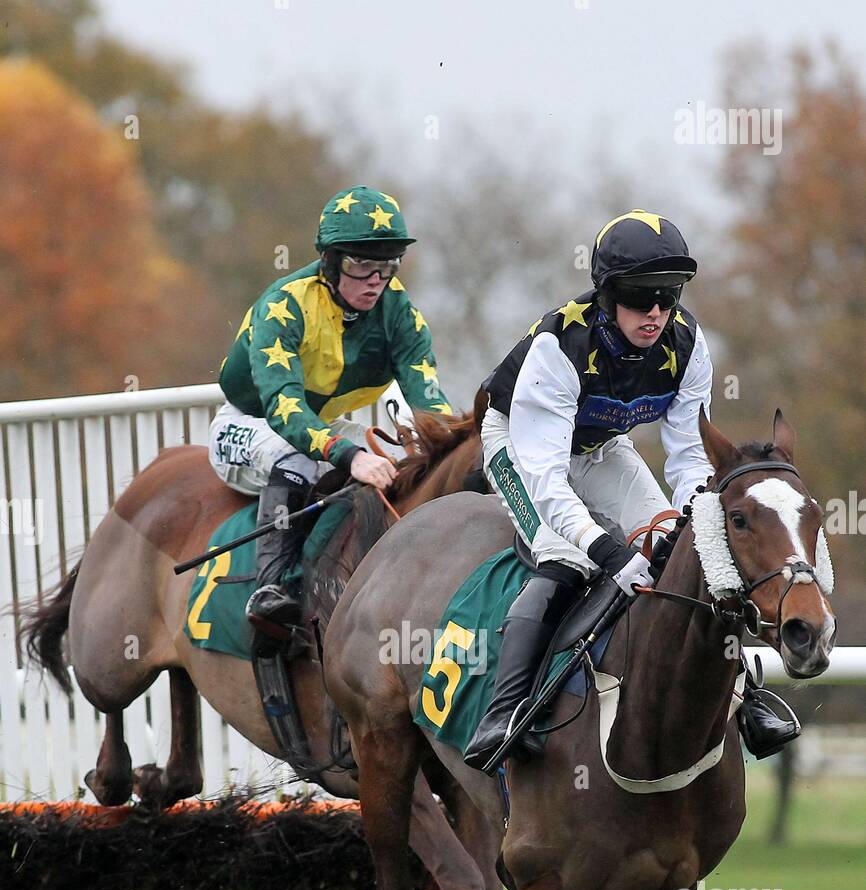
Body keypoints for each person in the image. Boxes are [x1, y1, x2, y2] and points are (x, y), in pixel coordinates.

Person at [463, 209, 798, 771]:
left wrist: (695, 518)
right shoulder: (560, 344)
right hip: (522, 448)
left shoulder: (688, 344)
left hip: (604, 449)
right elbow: (546, 478)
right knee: (566, 555)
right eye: (642, 298)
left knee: (685, 546)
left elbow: (691, 456)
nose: (657, 313)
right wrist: (609, 550)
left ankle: (745, 698)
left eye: (668, 298)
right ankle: (506, 710)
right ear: (609, 292)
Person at [208, 184, 452, 644]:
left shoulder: (400, 312)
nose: (375, 281)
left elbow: (427, 400)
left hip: (319, 424)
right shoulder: (284, 304)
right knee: (299, 457)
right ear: (330, 260)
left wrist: (440, 446)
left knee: (396, 461)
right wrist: (346, 454)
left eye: (386, 266)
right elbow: (284, 407)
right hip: (251, 424)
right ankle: (270, 590)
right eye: (362, 265)